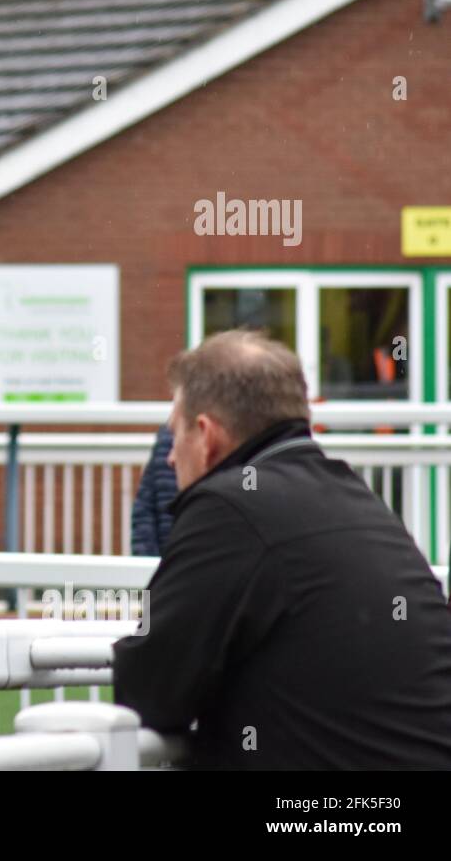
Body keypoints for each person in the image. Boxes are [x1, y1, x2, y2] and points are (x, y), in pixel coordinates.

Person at [113, 330, 451, 769]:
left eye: (174, 434)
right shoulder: (355, 498)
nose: (170, 458)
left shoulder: (229, 509)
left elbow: (145, 691)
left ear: (206, 435)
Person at [129, 425, 175, 556]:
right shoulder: (167, 437)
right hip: (161, 558)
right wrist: (147, 561)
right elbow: (144, 508)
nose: (172, 459)